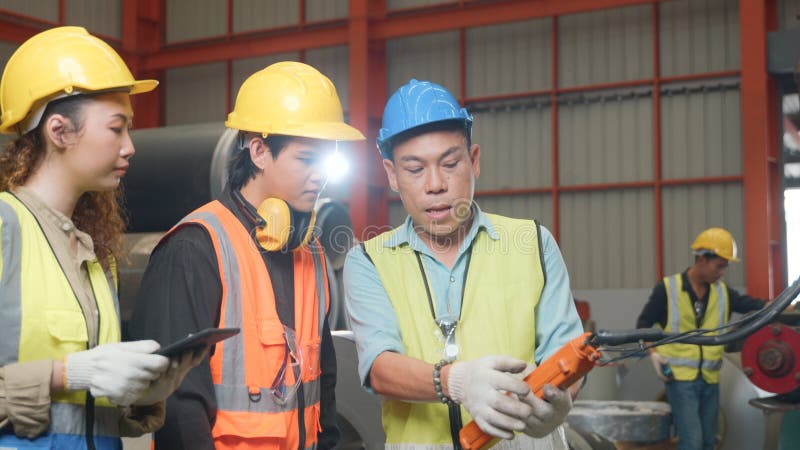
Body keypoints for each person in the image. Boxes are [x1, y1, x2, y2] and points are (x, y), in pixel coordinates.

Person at [129, 61, 365, 450]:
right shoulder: (195, 249)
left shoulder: (312, 251)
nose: (320, 176)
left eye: (326, 160)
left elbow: (324, 389)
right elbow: (179, 411)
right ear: (258, 151)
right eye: (306, 159)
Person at [343, 79, 584, 449]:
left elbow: (565, 353)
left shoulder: (532, 244)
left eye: (450, 163)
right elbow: (379, 368)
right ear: (392, 175)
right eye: (414, 169)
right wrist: (456, 382)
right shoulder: (369, 262)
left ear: (473, 161)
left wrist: (556, 401)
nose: (435, 184)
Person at [0, 26, 200, 449]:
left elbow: (87, 416)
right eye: (116, 128)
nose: (130, 147)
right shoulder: (6, 228)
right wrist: (67, 374)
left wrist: (141, 394)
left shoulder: (94, 251)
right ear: (59, 132)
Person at [636, 227, 766, 450]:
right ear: (702, 259)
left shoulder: (723, 293)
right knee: (692, 441)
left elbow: (757, 306)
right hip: (679, 380)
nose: (723, 272)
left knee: (707, 441)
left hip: (709, 379)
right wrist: (653, 355)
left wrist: (788, 305)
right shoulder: (667, 289)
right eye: (720, 266)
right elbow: (643, 326)